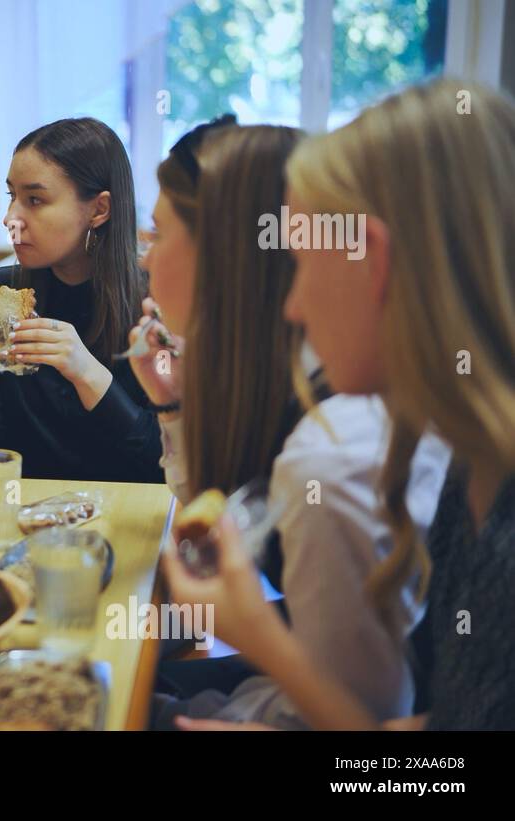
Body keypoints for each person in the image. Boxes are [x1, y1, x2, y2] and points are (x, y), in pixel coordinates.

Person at [166, 81, 515, 731]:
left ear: (372, 260)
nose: (292, 304)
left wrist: (260, 638)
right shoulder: (474, 473)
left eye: (301, 262)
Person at [132, 120, 448, 729]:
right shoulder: (279, 380)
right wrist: (173, 409)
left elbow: (375, 720)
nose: (144, 255)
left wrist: (250, 638)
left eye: (157, 232)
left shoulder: (335, 446)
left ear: (222, 258)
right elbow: (220, 532)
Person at [0, 118, 162, 486]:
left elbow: (160, 465)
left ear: (99, 210)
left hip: (126, 523)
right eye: (11, 197)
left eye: (34, 200)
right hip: (18, 517)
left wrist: (87, 373)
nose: (10, 219)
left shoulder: (155, 304)